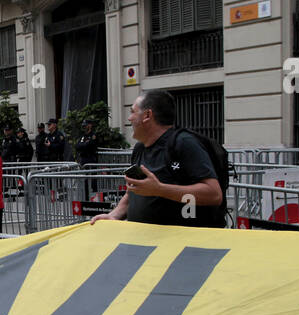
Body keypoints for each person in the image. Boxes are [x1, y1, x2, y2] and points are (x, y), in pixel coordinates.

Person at [91, 89, 223, 227]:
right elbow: (134, 191)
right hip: (144, 242)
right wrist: (114, 215)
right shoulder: (139, 148)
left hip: (178, 243)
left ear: (147, 115)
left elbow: (214, 194)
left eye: (132, 112)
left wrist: (159, 189)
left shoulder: (184, 143)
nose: (129, 118)